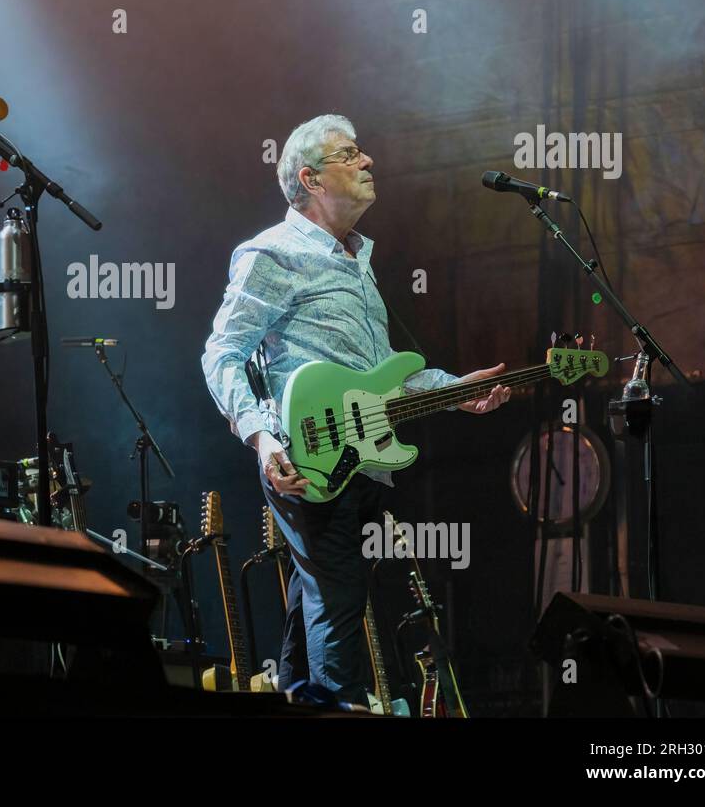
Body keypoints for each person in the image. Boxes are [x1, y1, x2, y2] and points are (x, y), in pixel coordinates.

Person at [201, 113, 509, 703]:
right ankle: (338, 705)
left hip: (363, 458)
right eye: (351, 155)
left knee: (321, 594)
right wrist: (262, 439)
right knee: (339, 596)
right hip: (304, 455)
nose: (368, 162)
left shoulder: (359, 259)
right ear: (311, 180)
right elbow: (222, 353)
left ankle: (295, 692)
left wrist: (454, 391)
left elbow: (380, 374)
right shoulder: (273, 253)